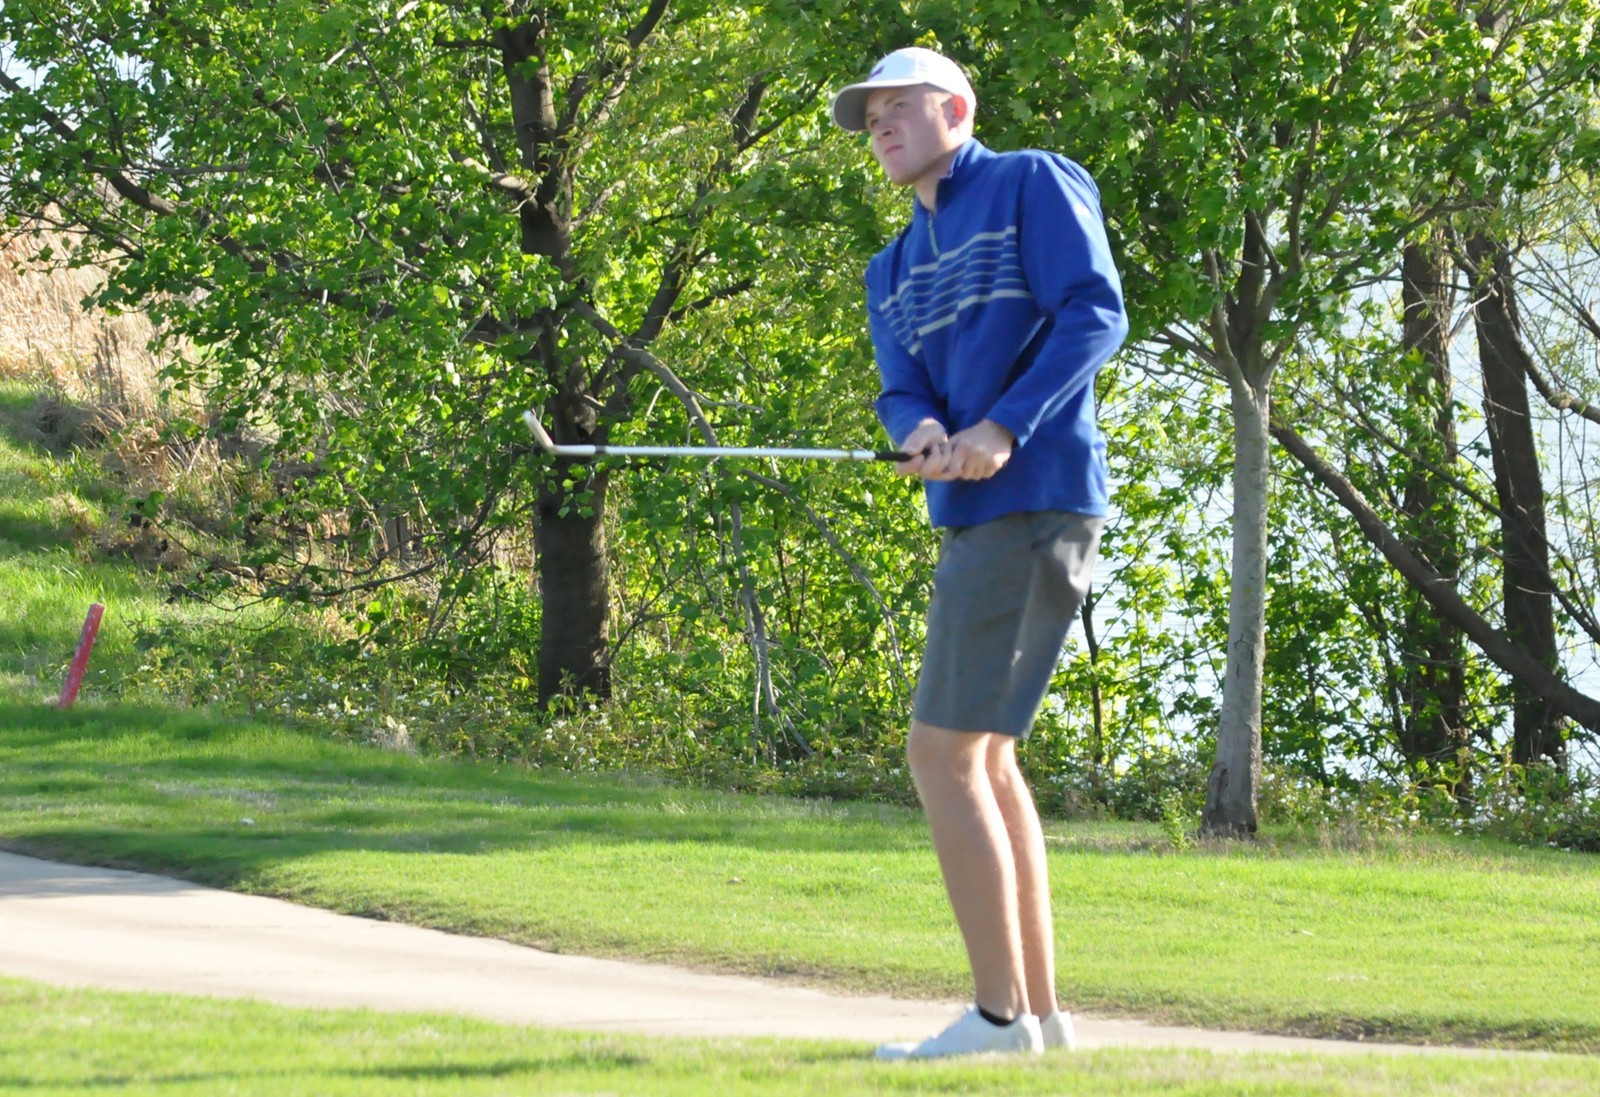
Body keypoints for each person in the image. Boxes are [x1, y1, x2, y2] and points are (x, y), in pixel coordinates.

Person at [830, 47, 1128, 1059]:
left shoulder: (1028, 181)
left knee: (940, 753)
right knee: (987, 759)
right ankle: (1039, 1018)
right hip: (974, 515)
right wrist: (920, 428)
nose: (880, 126)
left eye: (897, 107)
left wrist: (999, 426)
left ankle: (998, 1018)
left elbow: (1095, 309)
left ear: (955, 107)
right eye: (869, 118)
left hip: (1034, 498)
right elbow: (898, 383)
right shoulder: (891, 267)